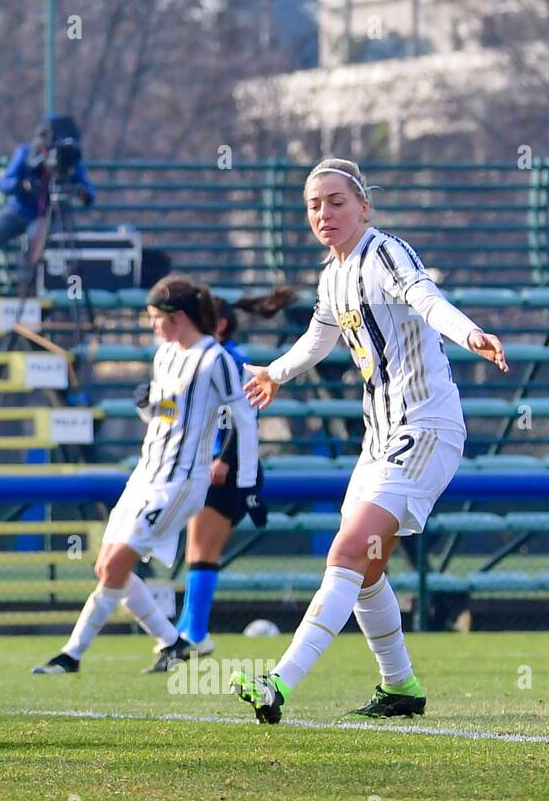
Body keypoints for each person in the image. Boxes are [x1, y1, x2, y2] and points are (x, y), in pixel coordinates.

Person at [230, 157, 508, 724]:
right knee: (367, 568)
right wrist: (275, 373)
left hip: (425, 426)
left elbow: (426, 300)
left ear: (364, 206)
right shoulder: (333, 274)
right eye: (314, 204)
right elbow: (318, 337)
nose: (324, 213)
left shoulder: (385, 252)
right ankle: (400, 685)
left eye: (336, 201)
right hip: (379, 436)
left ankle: (277, 682)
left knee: (347, 552)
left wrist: (469, 331)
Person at [32, 273, 260, 675]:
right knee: (106, 567)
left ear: (177, 315)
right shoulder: (164, 354)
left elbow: (244, 418)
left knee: (117, 564)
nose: (152, 324)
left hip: (180, 482)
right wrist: (147, 408)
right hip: (145, 474)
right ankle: (172, 642)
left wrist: (249, 484)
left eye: (156, 316)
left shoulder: (215, 359)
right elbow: (166, 414)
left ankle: (72, 654)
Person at [173, 287, 295, 655]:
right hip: (207, 468)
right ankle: (183, 634)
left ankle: (193, 634)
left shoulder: (228, 359)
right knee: (196, 551)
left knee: (201, 550)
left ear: (219, 324)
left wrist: (223, 458)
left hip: (225, 470)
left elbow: (244, 415)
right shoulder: (204, 359)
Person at [0, 113, 95, 298]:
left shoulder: (70, 160)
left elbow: (88, 192)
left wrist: (79, 192)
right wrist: (21, 186)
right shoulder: (25, 153)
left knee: (33, 241)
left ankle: (25, 289)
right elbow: (5, 184)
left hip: (46, 216)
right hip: (17, 209)